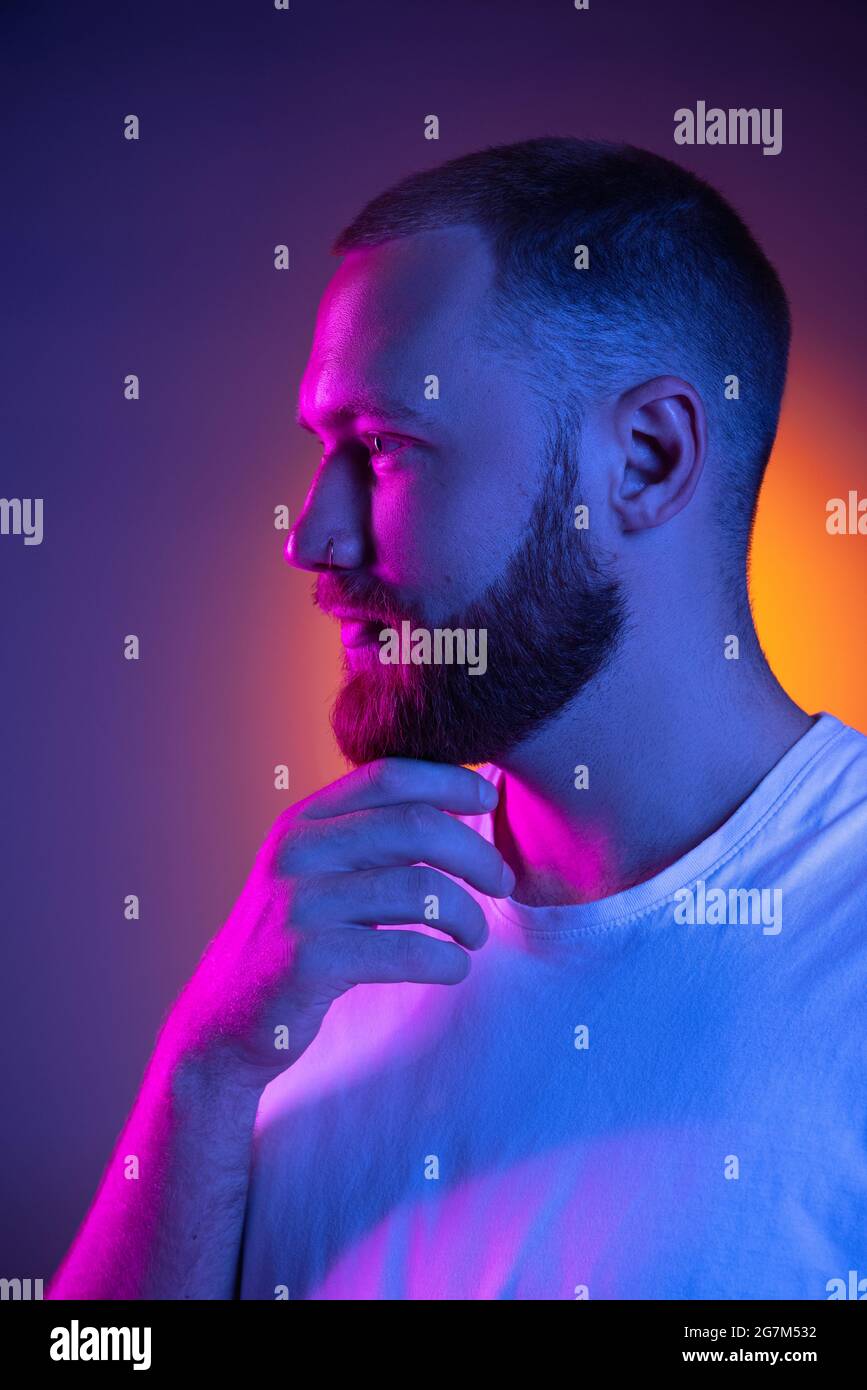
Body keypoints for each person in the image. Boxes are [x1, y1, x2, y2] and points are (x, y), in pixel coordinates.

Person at [49, 139, 867, 1301]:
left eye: (383, 448)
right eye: (324, 451)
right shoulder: (323, 943)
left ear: (647, 459)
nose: (313, 539)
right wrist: (204, 1071)